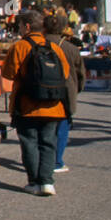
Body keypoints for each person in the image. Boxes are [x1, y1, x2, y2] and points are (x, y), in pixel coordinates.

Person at [1, 9, 70, 196]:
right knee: (49, 142)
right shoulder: (55, 48)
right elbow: (64, 74)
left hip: (27, 104)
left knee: (29, 142)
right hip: (54, 105)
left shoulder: (20, 47)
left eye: (21, 26)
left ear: (27, 26)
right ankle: (47, 181)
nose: (19, 29)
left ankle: (34, 182)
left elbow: (7, 73)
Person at [44, 12, 84, 174]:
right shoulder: (72, 49)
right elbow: (81, 74)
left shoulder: (36, 44)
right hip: (65, 92)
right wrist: (77, 89)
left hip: (41, 90)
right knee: (62, 126)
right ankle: (57, 161)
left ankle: (42, 158)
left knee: (43, 126)